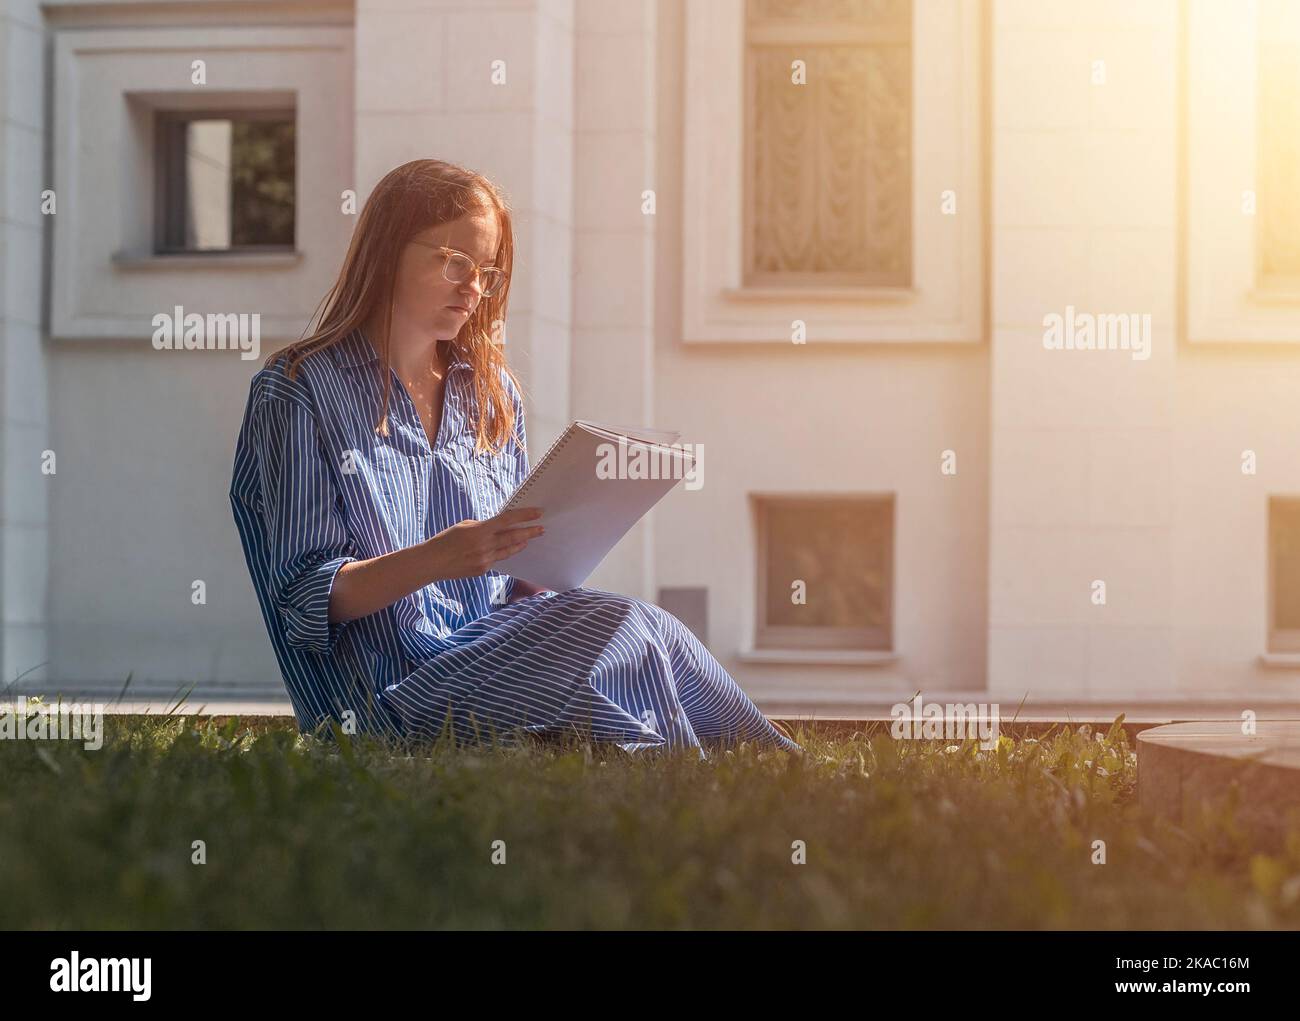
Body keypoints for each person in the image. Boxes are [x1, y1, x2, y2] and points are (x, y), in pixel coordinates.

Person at [229, 158, 801, 758]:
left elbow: (507, 580)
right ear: (386, 252)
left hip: (489, 656)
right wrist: (442, 557)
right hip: (379, 698)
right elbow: (305, 601)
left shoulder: (489, 395)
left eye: (487, 271)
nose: (473, 288)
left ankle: (764, 763)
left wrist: (536, 570)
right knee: (615, 629)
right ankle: (699, 778)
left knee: (641, 624)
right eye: (453, 261)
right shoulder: (297, 390)